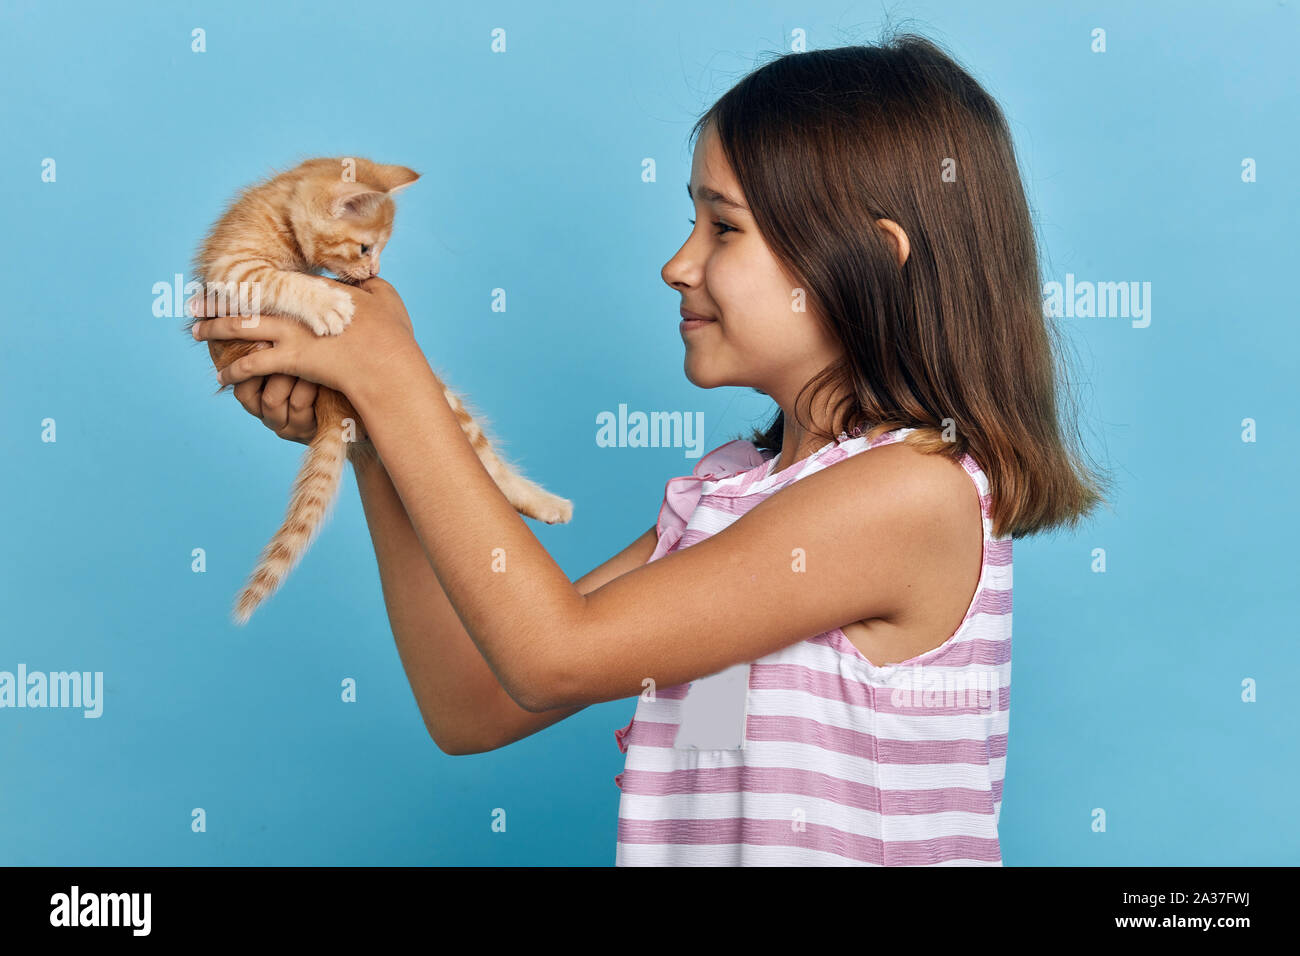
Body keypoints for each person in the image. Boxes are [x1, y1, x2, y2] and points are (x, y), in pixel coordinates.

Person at [189, 34, 1110, 865]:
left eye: (725, 227)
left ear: (873, 257)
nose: (679, 262)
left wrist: (396, 378)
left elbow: (557, 652)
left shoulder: (912, 495)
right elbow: (475, 701)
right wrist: (375, 435)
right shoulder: (725, 497)